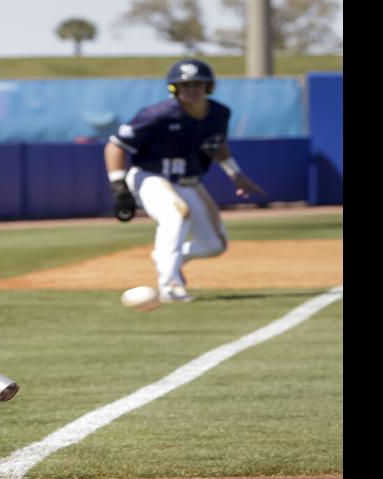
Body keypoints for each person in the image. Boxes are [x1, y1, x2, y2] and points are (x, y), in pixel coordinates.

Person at [103, 58, 269, 305]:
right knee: (176, 214)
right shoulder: (157, 115)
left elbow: (217, 144)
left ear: (208, 87)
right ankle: (170, 285)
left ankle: (166, 257)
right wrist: (119, 187)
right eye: (185, 84)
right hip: (151, 176)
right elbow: (116, 146)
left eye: (197, 84)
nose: (191, 89)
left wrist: (236, 174)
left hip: (189, 181)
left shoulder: (219, 113)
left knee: (215, 245)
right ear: (174, 88)